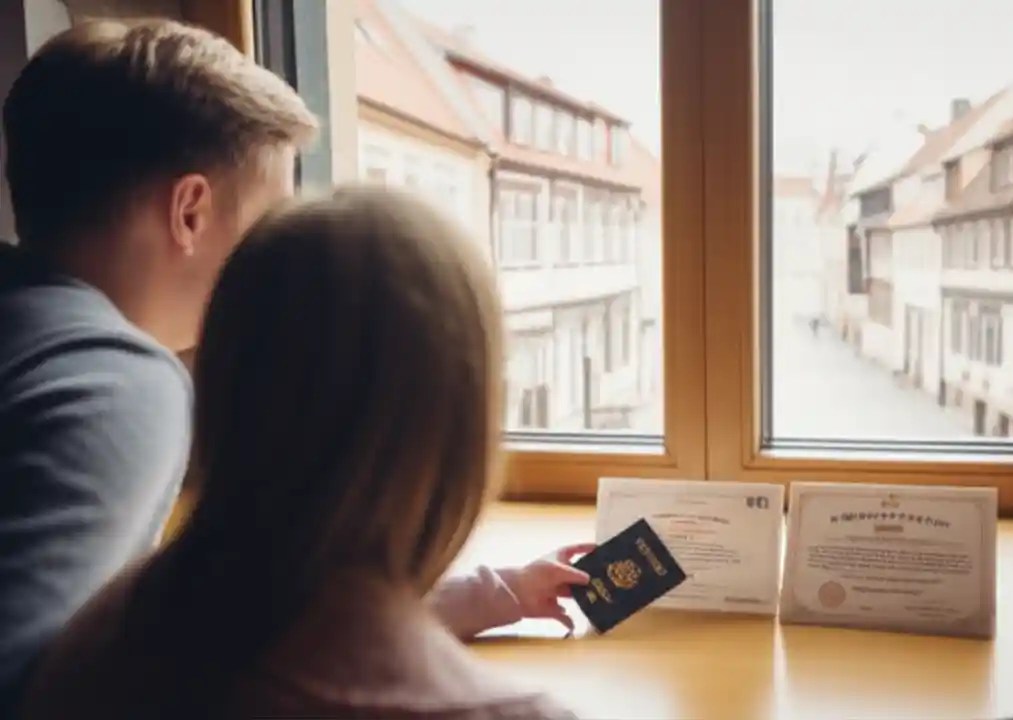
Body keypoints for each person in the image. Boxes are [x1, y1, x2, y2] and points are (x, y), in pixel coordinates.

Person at [0, 19, 588, 716]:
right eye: (272, 221)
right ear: (190, 211)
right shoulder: (116, 384)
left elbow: (212, 629)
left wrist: (485, 595)